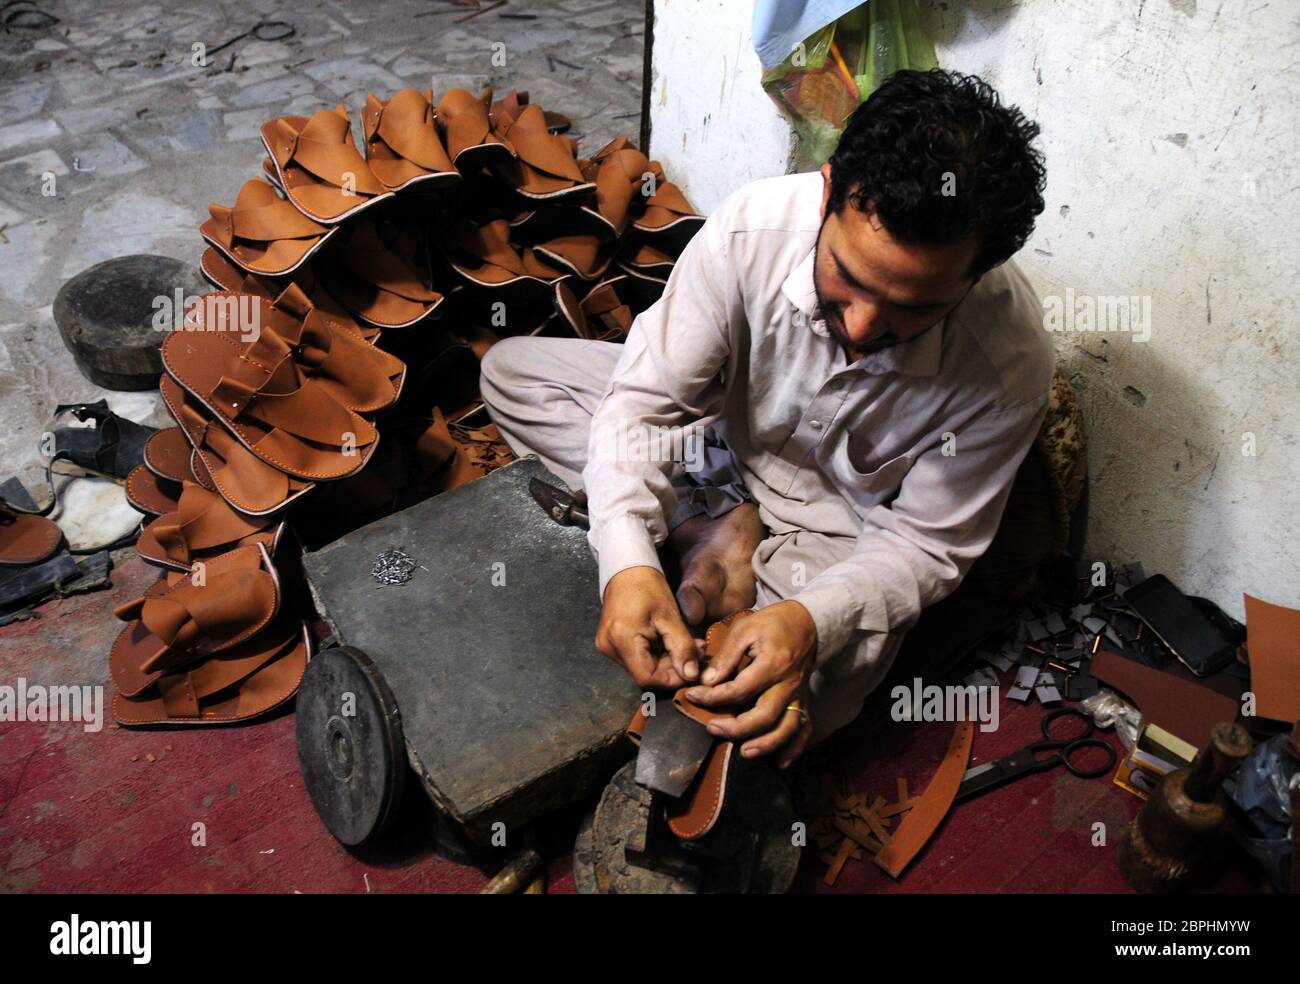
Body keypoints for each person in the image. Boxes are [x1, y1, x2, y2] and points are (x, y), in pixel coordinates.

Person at [480, 69, 1052, 768]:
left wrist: (812, 621)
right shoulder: (751, 229)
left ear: (977, 274)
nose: (865, 325)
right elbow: (647, 405)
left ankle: (725, 559)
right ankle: (711, 531)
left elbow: (925, 546)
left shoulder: (1007, 363)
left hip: (837, 533)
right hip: (722, 450)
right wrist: (627, 562)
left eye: (915, 307)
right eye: (848, 275)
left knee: (772, 698)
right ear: (829, 187)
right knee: (513, 375)